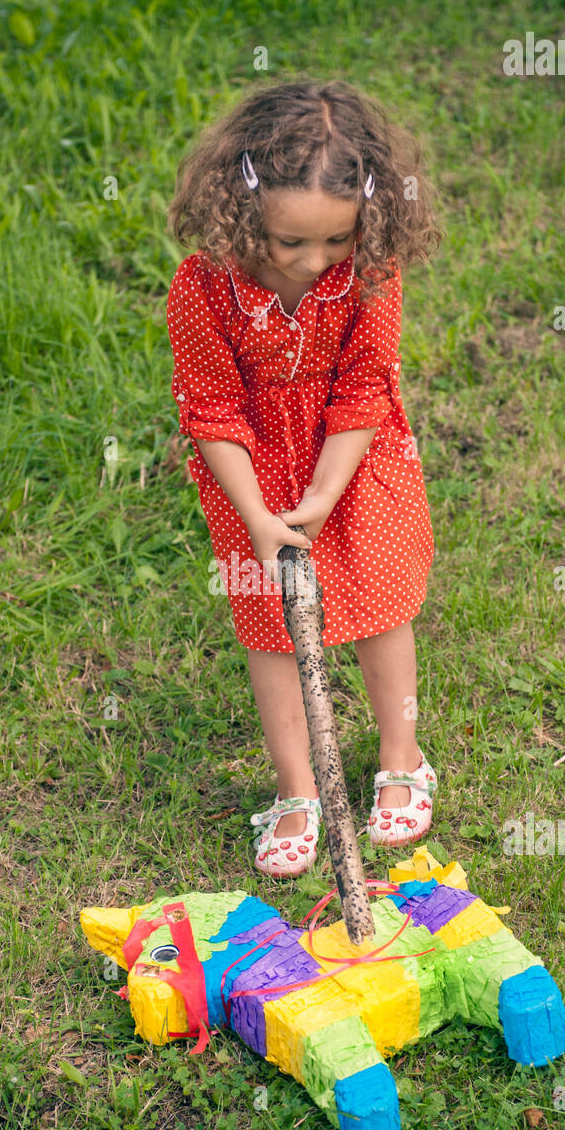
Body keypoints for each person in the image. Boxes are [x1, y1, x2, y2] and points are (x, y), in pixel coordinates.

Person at [166, 77, 440, 878]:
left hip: (356, 456)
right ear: (242, 206)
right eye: (291, 242)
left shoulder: (371, 274)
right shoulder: (202, 286)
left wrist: (324, 493)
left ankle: (401, 755)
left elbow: (364, 386)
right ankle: (296, 788)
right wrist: (257, 511)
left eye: (335, 241)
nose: (316, 260)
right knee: (271, 626)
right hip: (252, 476)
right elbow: (210, 408)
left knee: (382, 600)